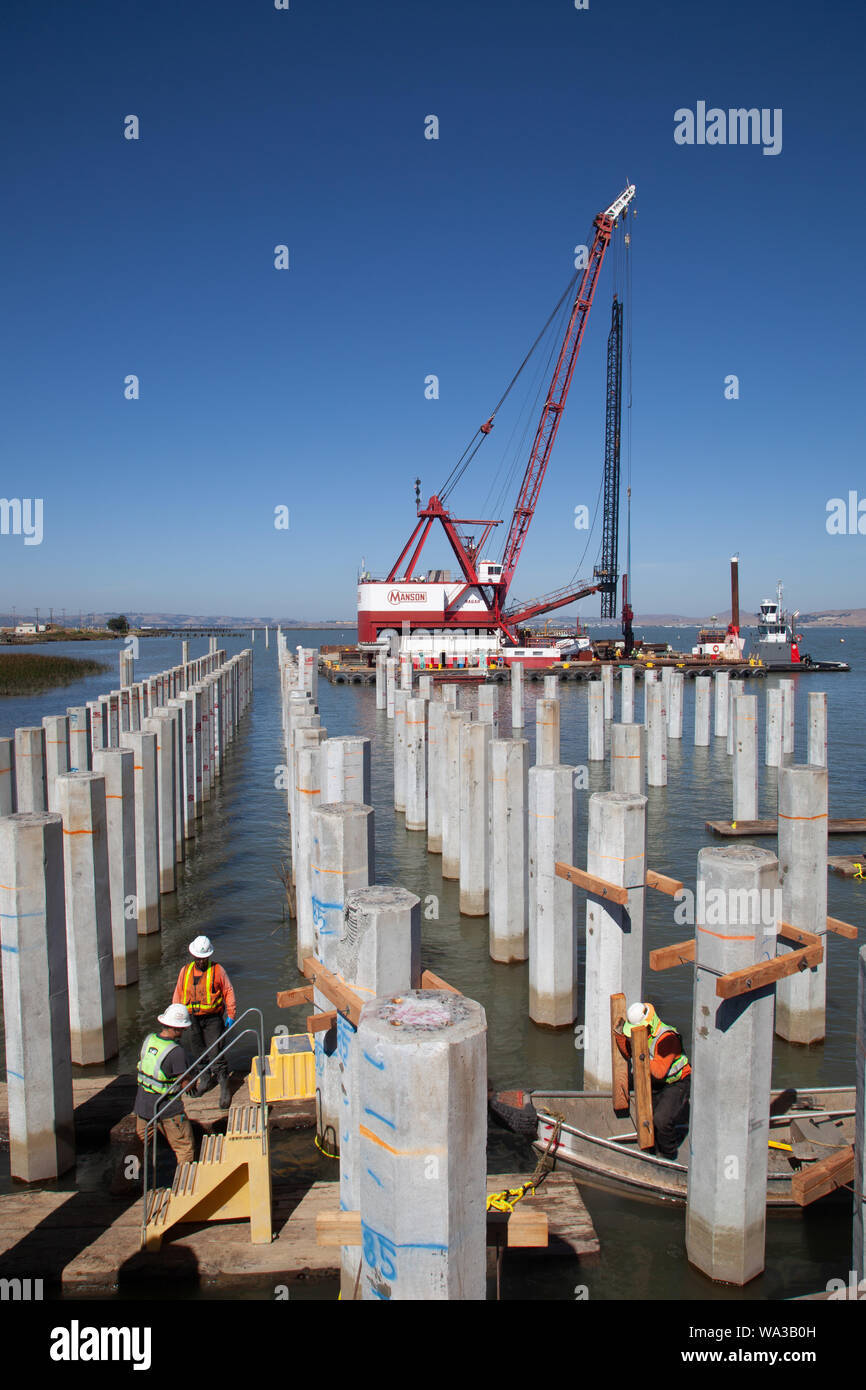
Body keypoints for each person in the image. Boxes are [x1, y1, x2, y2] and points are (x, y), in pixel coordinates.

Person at [614, 1001, 691, 1160]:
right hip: (656, 1083)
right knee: (648, 1120)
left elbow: (659, 1071)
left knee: (661, 1120)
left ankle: (669, 1157)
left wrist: (640, 1053)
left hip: (676, 1083)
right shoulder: (643, 1036)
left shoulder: (667, 1039)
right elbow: (629, 1054)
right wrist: (621, 1037)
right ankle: (653, 1152)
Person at [172, 935, 237, 1108]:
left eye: (204, 959)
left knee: (216, 1050)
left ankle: (224, 1083)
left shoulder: (217, 971)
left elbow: (228, 991)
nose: (201, 962)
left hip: (213, 1018)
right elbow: (178, 994)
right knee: (198, 1050)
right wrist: (175, 1017)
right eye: (198, 959)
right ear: (194, 957)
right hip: (192, 1018)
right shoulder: (185, 971)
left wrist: (231, 1014)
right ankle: (205, 1078)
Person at [135, 1003, 195, 1167]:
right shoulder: (176, 1052)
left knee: (136, 1149)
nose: (183, 1032)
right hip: (168, 1109)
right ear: (177, 1029)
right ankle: (184, 1188)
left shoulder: (149, 1040)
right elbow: (186, 1086)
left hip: (143, 1104)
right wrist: (192, 1078)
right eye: (183, 1029)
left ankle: (124, 1183)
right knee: (185, 1149)